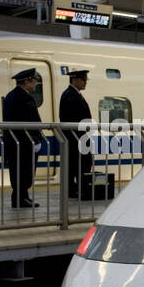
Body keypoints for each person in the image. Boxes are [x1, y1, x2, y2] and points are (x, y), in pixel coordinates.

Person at [1, 69, 41, 208]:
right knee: (24, 171)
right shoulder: (24, 98)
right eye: (34, 80)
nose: (36, 83)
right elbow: (31, 122)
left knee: (18, 171)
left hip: (15, 142)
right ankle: (20, 198)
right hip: (24, 143)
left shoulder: (11, 96)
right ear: (26, 81)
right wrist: (35, 140)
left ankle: (22, 197)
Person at [58, 69, 92, 198]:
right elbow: (71, 118)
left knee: (79, 164)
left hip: (79, 137)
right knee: (76, 165)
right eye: (83, 80)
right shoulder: (69, 95)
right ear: (74, 79)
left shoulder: (74, 94)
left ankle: (76, 189)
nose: (85, 82)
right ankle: (74, 190)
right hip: (76, 138)